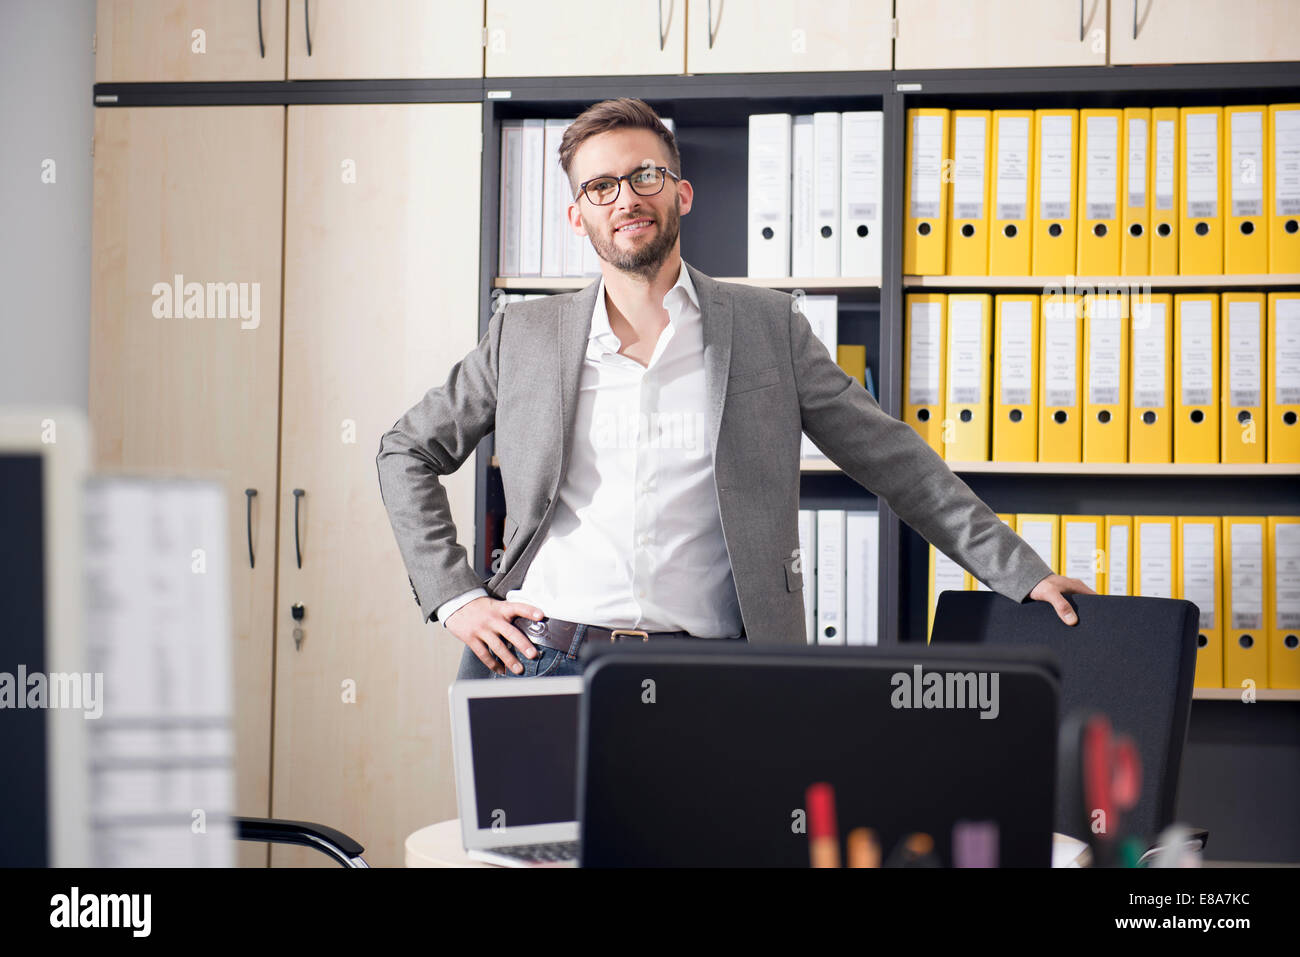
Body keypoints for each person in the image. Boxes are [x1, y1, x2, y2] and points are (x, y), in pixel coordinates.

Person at [376, 97, 1095, 680]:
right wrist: (455, 596)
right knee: (535, 864)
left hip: (712, 670)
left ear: (681, 192)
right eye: (600, 187)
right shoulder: (525, 336)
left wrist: (1021, 572)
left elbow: (895, 460)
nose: (624, 198)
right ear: (578, 215)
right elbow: (406, 449)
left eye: (644, 176)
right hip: (545, 660)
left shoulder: (767, 327)